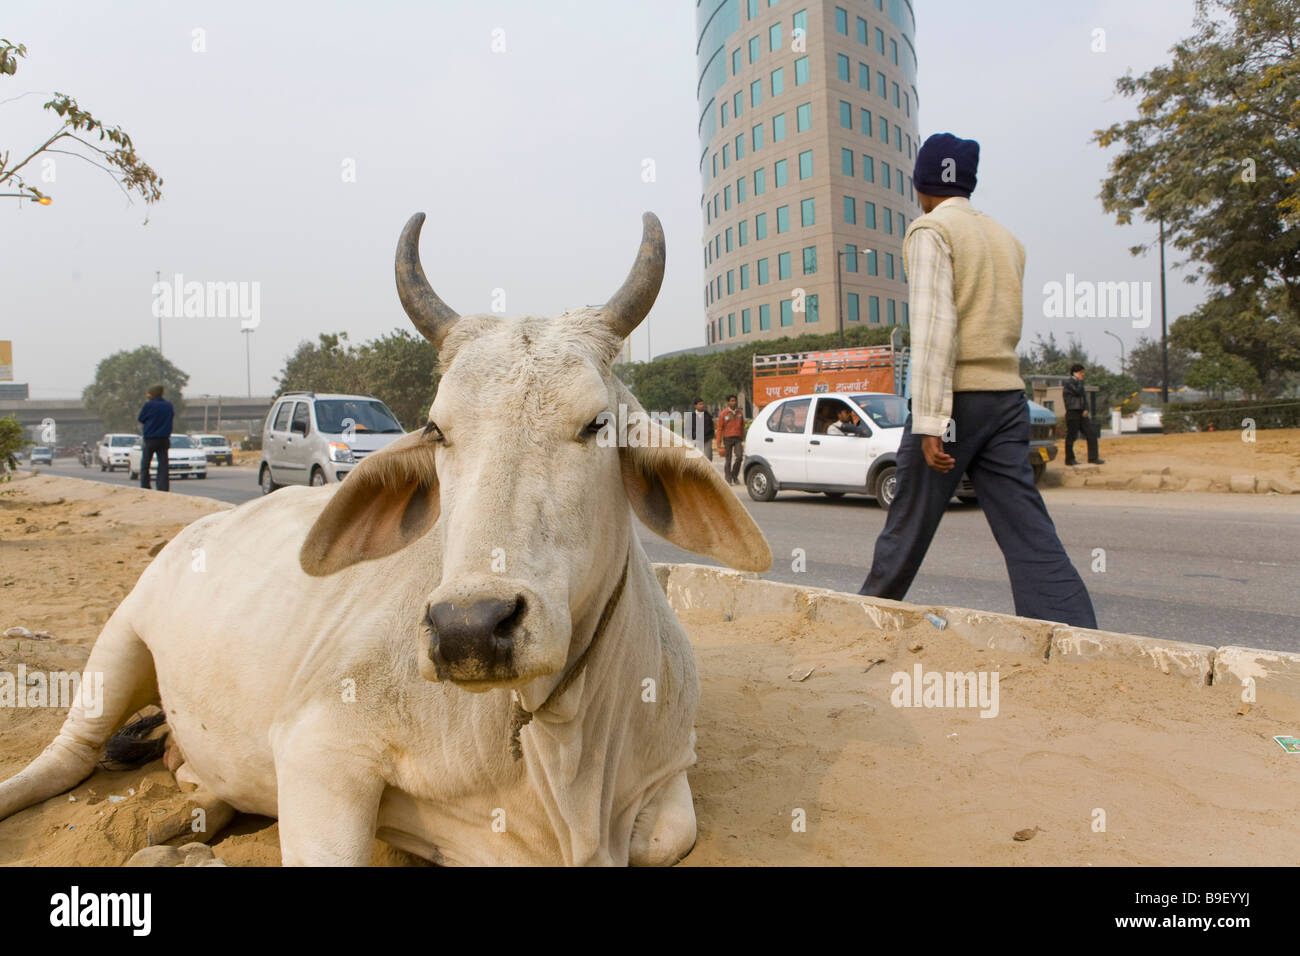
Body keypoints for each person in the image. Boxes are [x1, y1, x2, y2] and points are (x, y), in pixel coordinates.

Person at [858, 132, 1096, 628]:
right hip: (1007, 400)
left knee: (907, 525)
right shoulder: (1006, 239)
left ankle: (866, 620)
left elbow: (935, 330)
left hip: (955, 404)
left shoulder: (929, 232)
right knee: (1027, 527)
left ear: (921, 184)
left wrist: (929, 422)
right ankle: (1071, 631)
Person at [1063, 364, 1104, 465]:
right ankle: (1069, 459)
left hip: (1082, 413)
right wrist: (1080, 381)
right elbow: (1077, 392)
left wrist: (1086, 409)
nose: (1083, 375)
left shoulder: (1079, 383)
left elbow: (1084, 398)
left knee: (1091, 434)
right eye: (1081, 372)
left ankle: (1093, 458)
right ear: (1075, 373)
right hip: (1072, 412)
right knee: (1071, 436)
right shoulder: (1069, 382)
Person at [137, 384, 174, 492]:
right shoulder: (169, 405)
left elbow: (141, 418)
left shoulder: (149, 405)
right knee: (163, 465)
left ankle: (145, 486)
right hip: (164, 439)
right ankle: (163, 488)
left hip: (150, 438)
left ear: (152, 394)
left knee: (145, 464)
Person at [718, 394, 746, 483]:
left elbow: (742, 426)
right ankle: (728, 478)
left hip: (737, 438)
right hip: (727, 439)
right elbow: (719, 428)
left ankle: (734, 476)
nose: (733, 402)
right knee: (728, 459)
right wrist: (719, 442)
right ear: (728, 402)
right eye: (731, 401)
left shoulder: (739, 413)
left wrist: (743, 438)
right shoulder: (723, 414)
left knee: (740, 457)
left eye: (734, 400)